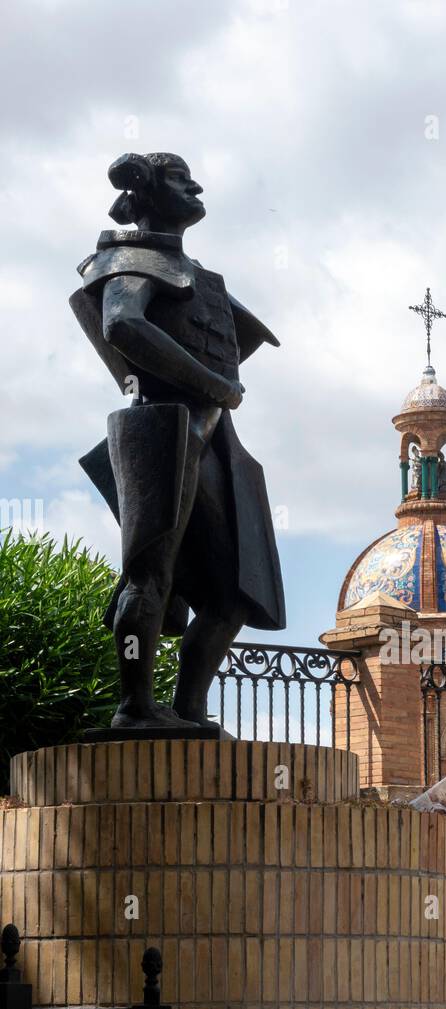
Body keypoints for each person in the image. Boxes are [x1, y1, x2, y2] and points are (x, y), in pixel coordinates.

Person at [71, 152, 285, 733]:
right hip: (161, 426)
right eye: (176, 178)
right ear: (145, 193)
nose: (194, 185)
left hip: (214, 435)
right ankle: (136, 707)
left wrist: (216, 390)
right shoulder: (129, 256)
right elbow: (121, 324)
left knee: (232, 595)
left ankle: (188, 711)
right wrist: (212, 380)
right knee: (150, 575)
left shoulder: (196, 271)